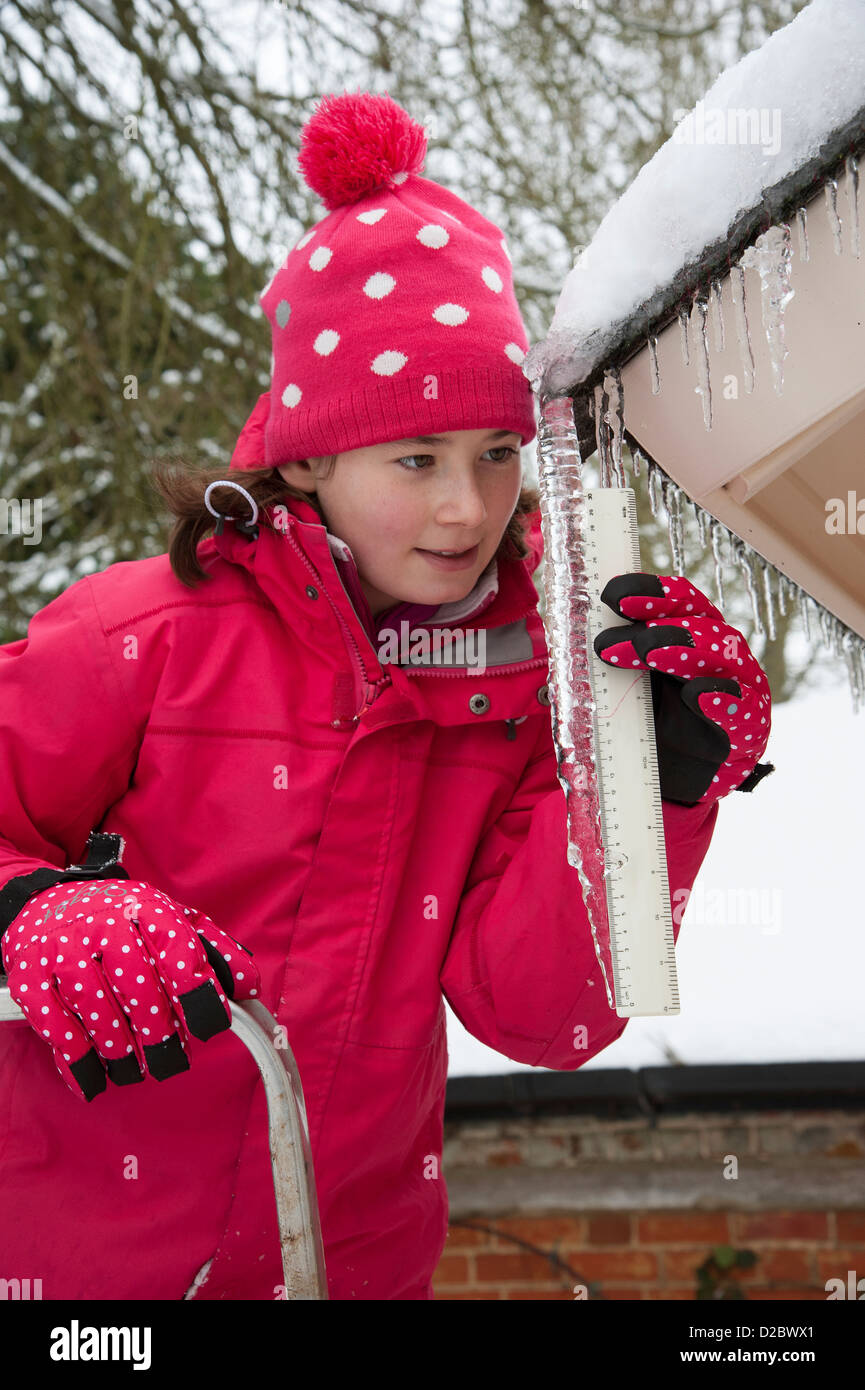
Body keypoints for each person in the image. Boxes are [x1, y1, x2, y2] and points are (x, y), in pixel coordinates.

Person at [0, 90, 774, 1301]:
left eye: (495, 453)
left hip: (350, 1264)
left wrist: (653, 789)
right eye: (415, 461)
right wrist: (29, 906)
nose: (465, 509)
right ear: (308, 455)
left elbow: (537, 1019)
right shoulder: (139, 636)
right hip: (80, 1270)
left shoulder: (530, 685)